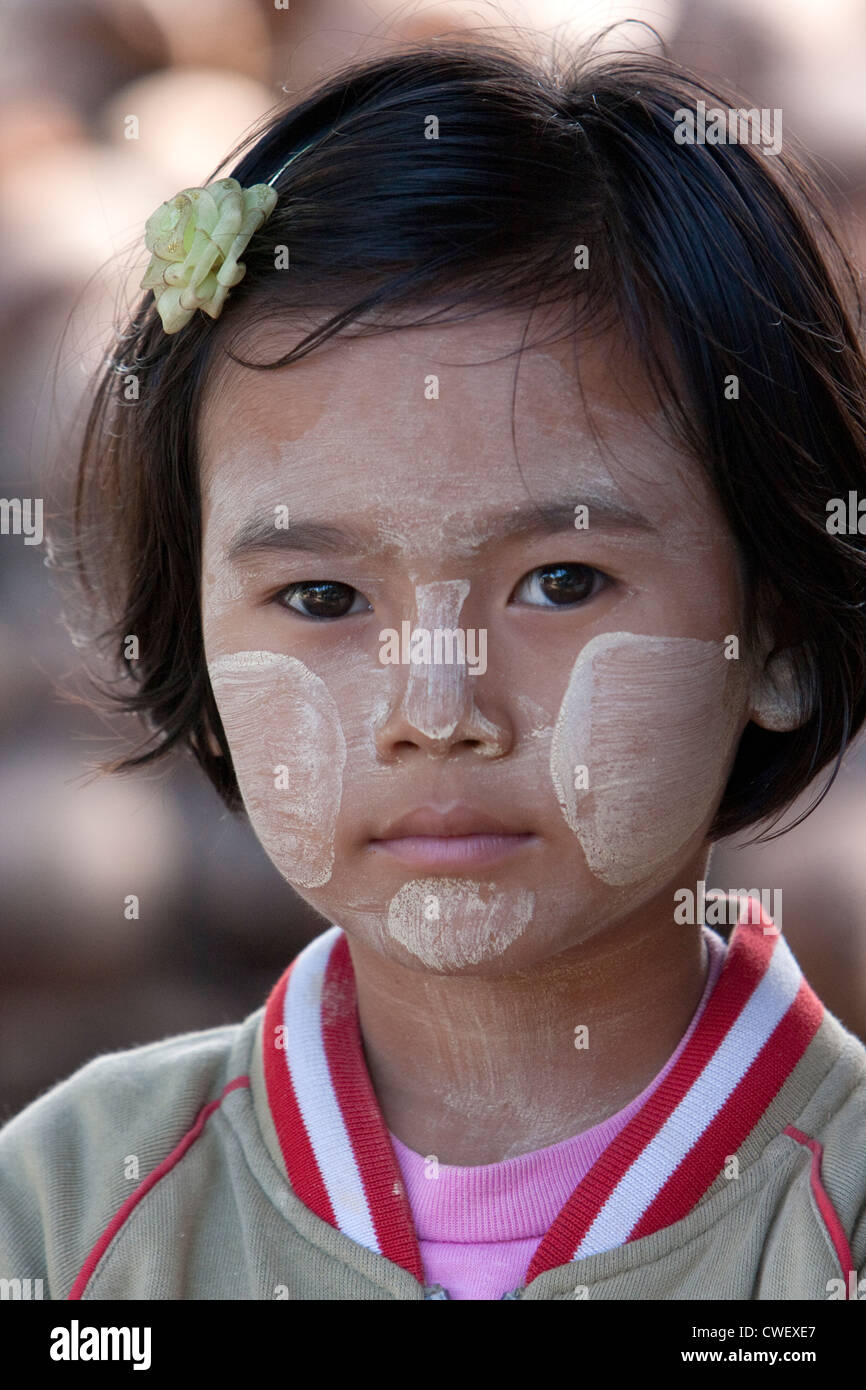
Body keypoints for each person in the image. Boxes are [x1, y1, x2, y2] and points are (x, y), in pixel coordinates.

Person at [2, 35, 866, 1301]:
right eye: (321, 597)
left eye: (560, 583)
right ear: (197, 643)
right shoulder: (70, 1216)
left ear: (777, 630)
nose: (434, 709)